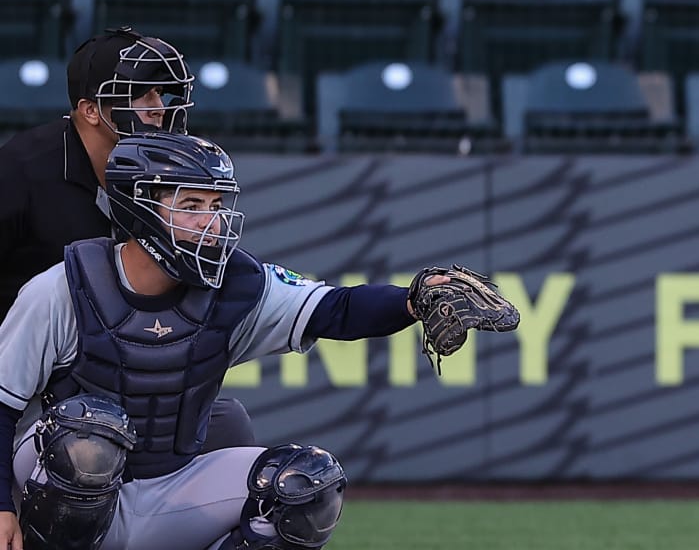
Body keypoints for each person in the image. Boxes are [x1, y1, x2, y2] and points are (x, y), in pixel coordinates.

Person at [0, 131, 519, 549]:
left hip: (169, 484)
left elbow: (334, 309)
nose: (213, 223)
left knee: (305, 485)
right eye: (192, 204)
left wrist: (414, 298)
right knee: (89, 441)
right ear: (139, 209)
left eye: (216, 204)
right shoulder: (62, 288)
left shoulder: (235, 285)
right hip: (55, 491)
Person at [0, 27, 260, 453]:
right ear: (89, 110)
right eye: (140, 95)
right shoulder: (20, 171)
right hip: (27, 386)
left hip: (122, 378)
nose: (159, 109)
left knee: (228, 425)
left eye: (161, 94)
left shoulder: (166, 173)